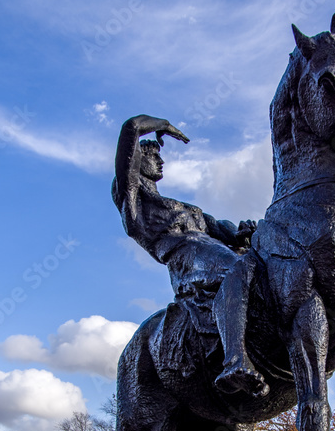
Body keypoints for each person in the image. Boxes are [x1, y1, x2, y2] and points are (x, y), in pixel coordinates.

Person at [113, 115, 267, 397]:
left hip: (209, 248)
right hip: (186, 256)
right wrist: (163, 125)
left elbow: (225, 231)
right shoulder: (133, 199)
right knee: (237, 268)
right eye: (151, 155)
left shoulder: (187, 207)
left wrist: (247, 231)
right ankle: (235, 360)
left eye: (159, 156)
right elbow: (131, 128)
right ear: (136, 163)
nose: (160, 162)